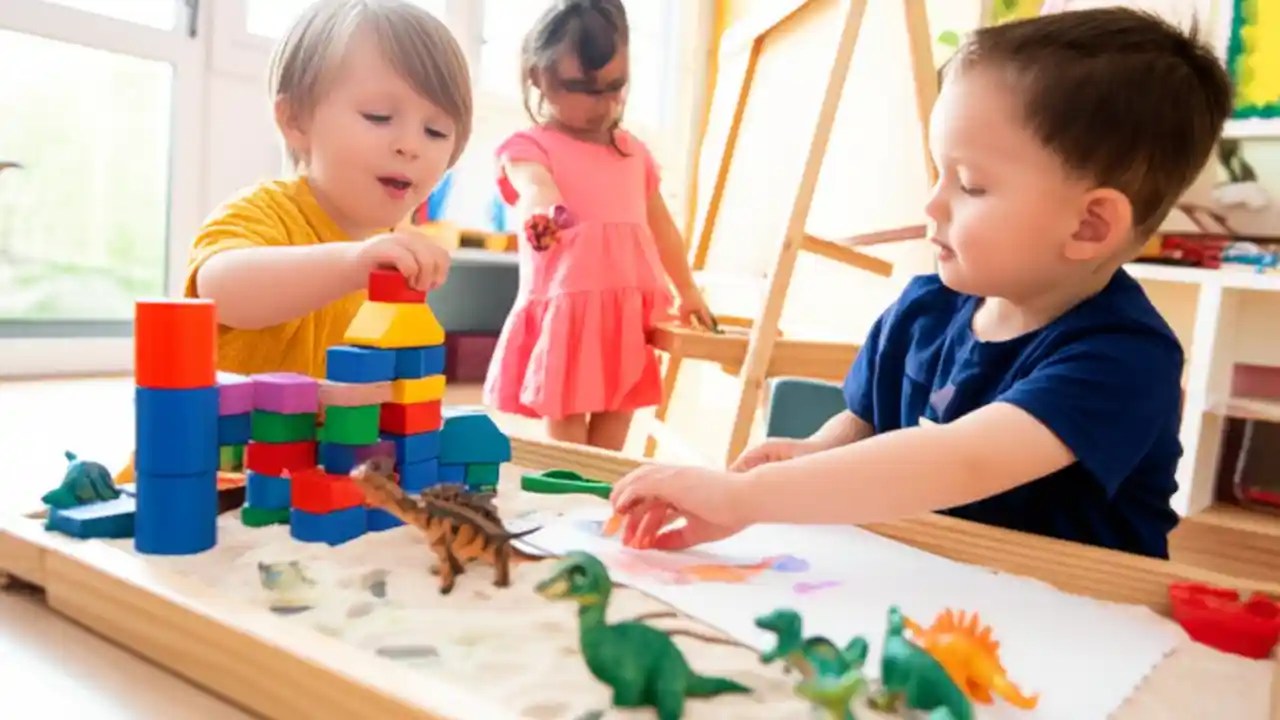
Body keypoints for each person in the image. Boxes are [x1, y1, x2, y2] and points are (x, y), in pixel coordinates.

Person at [609, 8, 1233, 560]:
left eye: (970, 185)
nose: (931, 204)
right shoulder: (925, 308)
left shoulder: (1124, 359)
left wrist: (749, 497)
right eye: (938, 173)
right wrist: (815, 455)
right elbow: (866, 424)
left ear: (1089, 225)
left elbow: (963, 459)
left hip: (1080, 609)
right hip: (937, 578)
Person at [185, 0, 471, 377]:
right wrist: (353, 264)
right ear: (296, 120)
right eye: (379, 116)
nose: (410, 145)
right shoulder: (266, 211)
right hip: (241, 417)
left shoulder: (399, 245)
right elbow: (219, 290)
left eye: (435, 132)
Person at [483, 0, 714, 451]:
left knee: (614, 431)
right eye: (583, 88)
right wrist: (544, 212)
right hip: (569, 313)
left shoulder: (633, 153)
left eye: (615, 86)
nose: (605, 103)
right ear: (538, 77)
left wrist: (687, 289)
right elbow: (534, 186)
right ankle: (569, 493)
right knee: (570, 441)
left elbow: (662, 228)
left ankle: (602, 493)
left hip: (627, 312)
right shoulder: (529, 146)